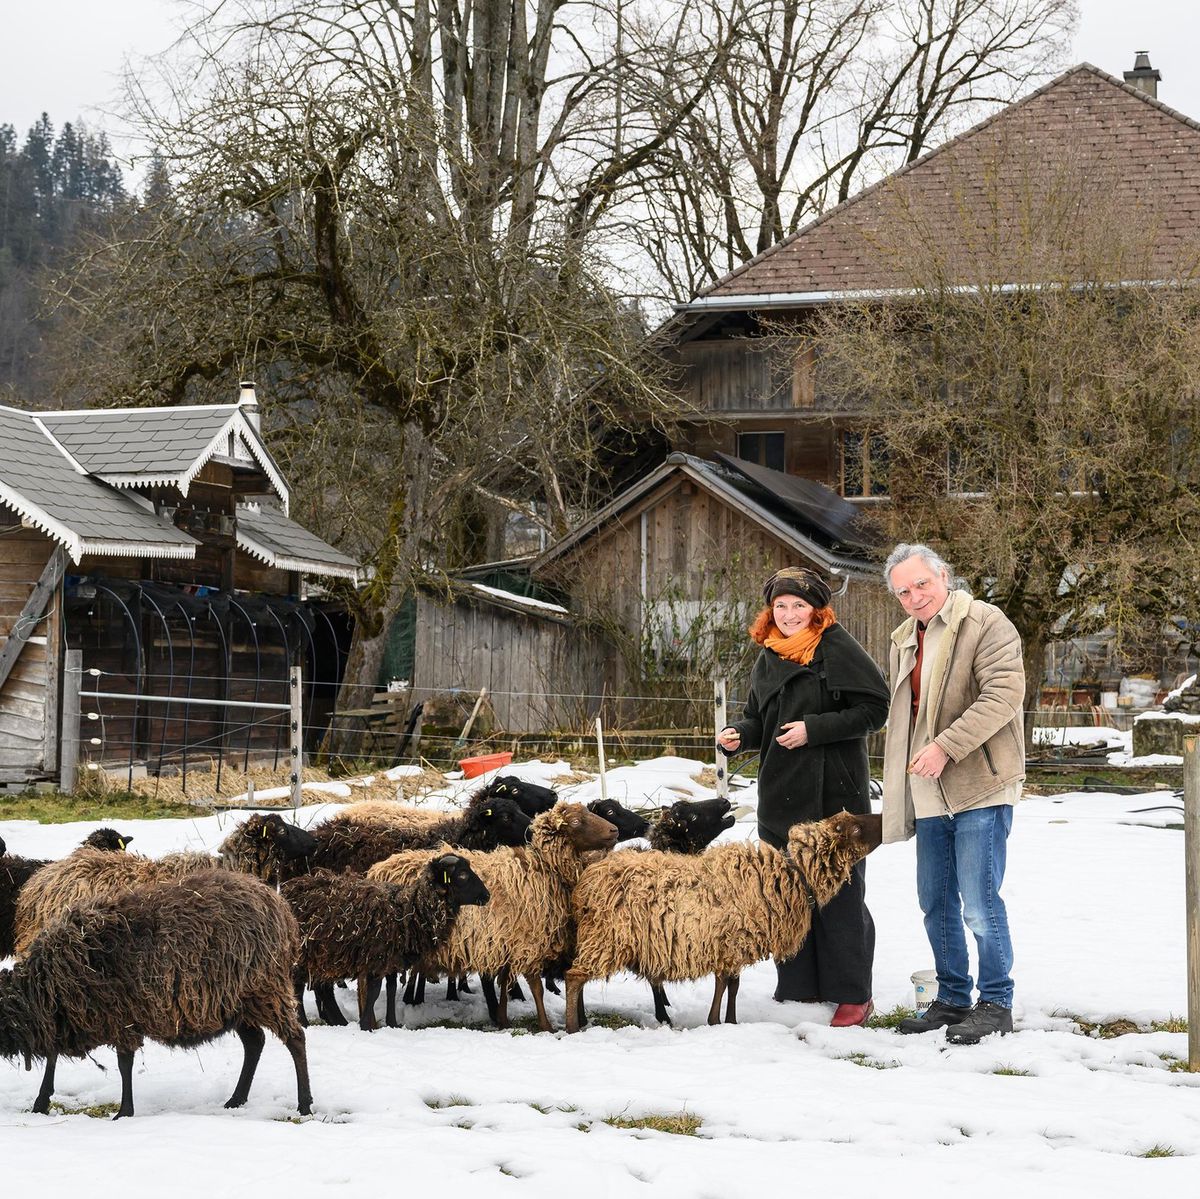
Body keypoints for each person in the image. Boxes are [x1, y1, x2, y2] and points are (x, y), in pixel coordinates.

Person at [718, 566, 889, 1027]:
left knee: (841, 895)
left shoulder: (837, 648)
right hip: (781, 794)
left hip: (834, 797)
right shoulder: (769, 655)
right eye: (781, 605)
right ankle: (799, 986)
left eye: (798, 605)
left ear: (816, 609)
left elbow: (875, 710)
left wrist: (815, 729)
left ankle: (854, 994)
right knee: (789, 893)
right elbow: (760, 719)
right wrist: (741, 734)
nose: (789, 614)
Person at [881, 544, 1025, 1045]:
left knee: (979, 905)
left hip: (979, 783)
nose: (915, 596)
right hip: (927, 790)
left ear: (943, 575)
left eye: (922, 584)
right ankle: (952, 998)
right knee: (935, 899)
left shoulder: (985, 622)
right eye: (903, 591)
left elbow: (1003, 695)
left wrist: (945, 746)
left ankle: (996, 1002)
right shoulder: (904, 639)